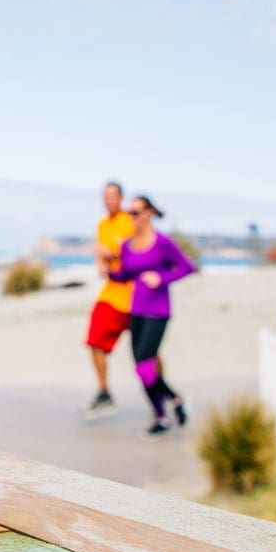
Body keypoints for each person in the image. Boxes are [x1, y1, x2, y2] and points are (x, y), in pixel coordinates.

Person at [109, 195, 196, 438]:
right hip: (136, 310)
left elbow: (188, 267)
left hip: (158, 311)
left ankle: (170, 404)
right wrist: (108, 271)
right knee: (140, 367)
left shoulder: (163, 243)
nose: (132, 217)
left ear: (148, 213)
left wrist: (162, 278)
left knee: (145, 365)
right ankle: (165, 411)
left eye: (136, 212)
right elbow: (124, 275)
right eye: (130, 213)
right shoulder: (126, 245)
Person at [80, 181, 134, 418]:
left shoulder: (129, 221)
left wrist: (108, 254)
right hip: (111, 294)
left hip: (135, 295)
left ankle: (165, 396)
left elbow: (130, 254)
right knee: (94, 341)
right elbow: (102, 256)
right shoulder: (102, 225)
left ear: (121, 198)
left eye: (112, 196)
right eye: (104, 196)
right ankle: (104, 393)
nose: (107, 200)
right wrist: (102, 263)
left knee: (147, 354)